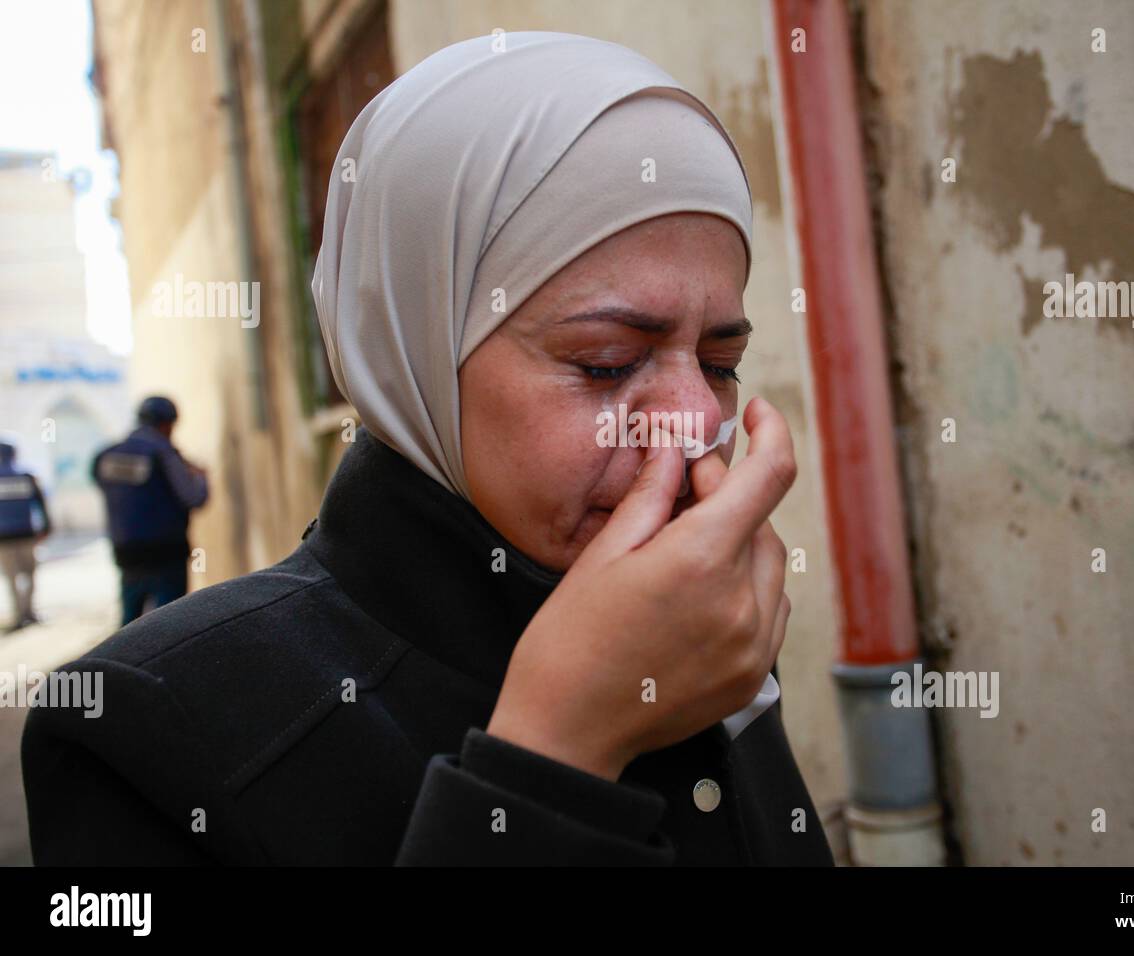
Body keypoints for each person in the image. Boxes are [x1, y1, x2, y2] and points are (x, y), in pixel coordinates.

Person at [22, 32, 833, 865]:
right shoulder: (149, 727)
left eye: (719, 364)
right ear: (415, 355)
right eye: (607, 363)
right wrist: (554, 754)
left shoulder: (706, 636)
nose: (696, 420)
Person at [91, 396, 209, 625]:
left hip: (126, 550)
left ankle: (126, 660)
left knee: (130, 624)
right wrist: (202, 478)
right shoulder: (163, 453)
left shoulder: (106, 455)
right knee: (169, 622)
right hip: (166, 550)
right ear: (167, 423)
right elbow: (193, 498)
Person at [0, 441, 49, 632]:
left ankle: (19, 615)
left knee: (12, 578)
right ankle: (29, 612)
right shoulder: (27, 476)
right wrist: (46, 527)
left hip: (4, 538)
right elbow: (41, 504)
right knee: (30, 575)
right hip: (27, 534)